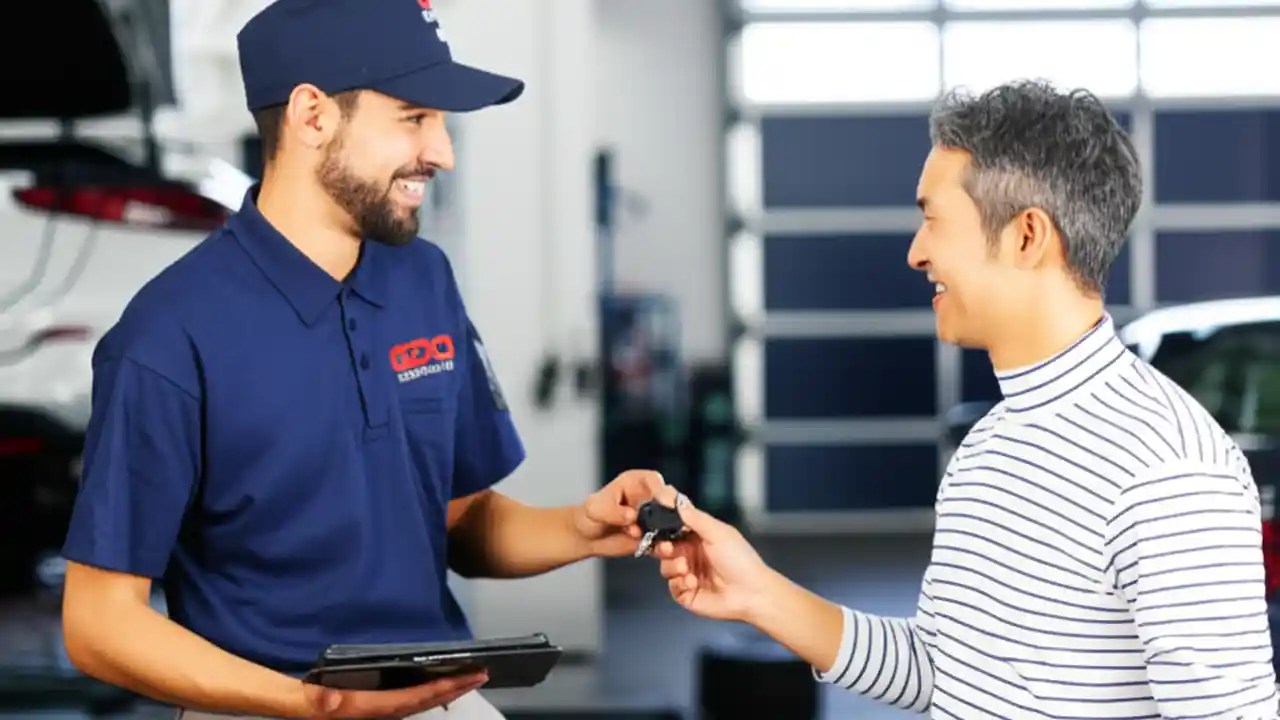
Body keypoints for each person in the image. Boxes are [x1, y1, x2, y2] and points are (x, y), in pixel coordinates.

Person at [57, 1, 664, 719]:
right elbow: (98, 626)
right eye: (414, 117)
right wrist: (312, 704)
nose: (443, 152)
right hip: (257, 706)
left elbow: (460, 523)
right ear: (313, 117)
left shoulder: (423, 280)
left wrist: (582, 527)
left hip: (431, 698)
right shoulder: (167, 336)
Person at [653, 79, 1280, 719]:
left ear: (1027, 236)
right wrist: (757, 592)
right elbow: (940, 670)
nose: (916, 252)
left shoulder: (1171, 469)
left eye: (932, 218)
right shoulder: (988, 446)